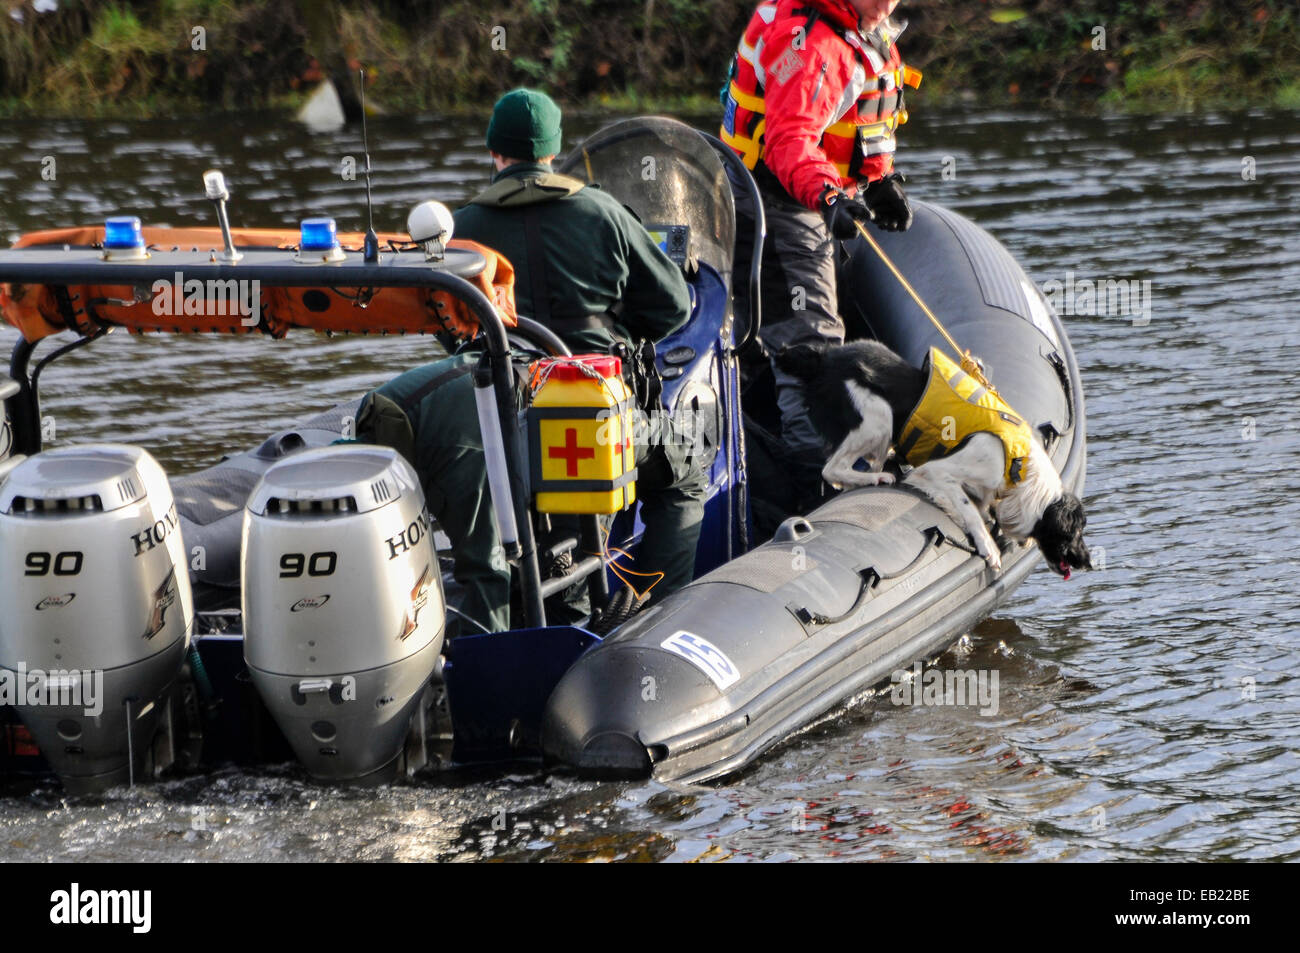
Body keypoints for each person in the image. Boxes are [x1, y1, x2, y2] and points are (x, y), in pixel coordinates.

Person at [359, 89, 706, 634]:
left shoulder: (464, 227)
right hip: (594, 412)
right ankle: (653, 614)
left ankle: (545, 605)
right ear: (554, 150)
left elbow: (455, 337)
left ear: (495, 152)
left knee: (544, 521)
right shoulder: (602, 210)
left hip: (500, 422)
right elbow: (674, 307)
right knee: (687, 467)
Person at [721, 0, 920, 517]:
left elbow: (859, 123)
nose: (887, 4)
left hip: (807, 193)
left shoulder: (862, 28)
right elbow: (789, 141)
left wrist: (877, 184)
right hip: (777, 199)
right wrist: (830, 195)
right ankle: (817, 494)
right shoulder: (808, 44)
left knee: (799, 337)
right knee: (811, 345)